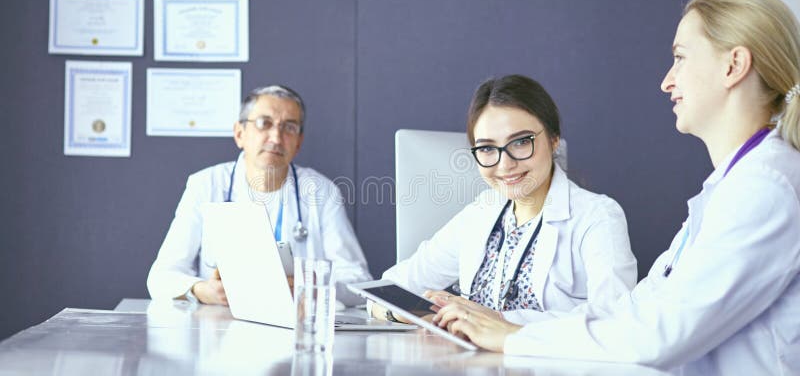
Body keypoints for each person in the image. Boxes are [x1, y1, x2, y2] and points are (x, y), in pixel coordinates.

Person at [433, 0, 800, 375]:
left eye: (679, 57)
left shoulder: (766, 187)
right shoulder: (737, 184)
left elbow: (656, 336)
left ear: (733, 65)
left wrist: (511, 338)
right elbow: (635, 312)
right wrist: (506, 326)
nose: (666, 81)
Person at [373, 75, 638, 323]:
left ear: (554, 139)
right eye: (487, 148)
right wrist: (408, 313)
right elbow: (388, 288)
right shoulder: (481, 213)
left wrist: (491, 319)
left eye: (521, 142)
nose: (505, 164)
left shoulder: (597, 216)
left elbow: (615, 319)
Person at [147, 85, 372, 306]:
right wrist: (202, 290)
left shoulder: (321, 191)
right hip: (220, 328)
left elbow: (358, 282)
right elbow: (161, 277)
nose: (276, 137)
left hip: (296, 328)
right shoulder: (206, 185)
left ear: (299, 142)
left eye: (289, 127)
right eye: (264, 124)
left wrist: (308, 286)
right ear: (239, 133)